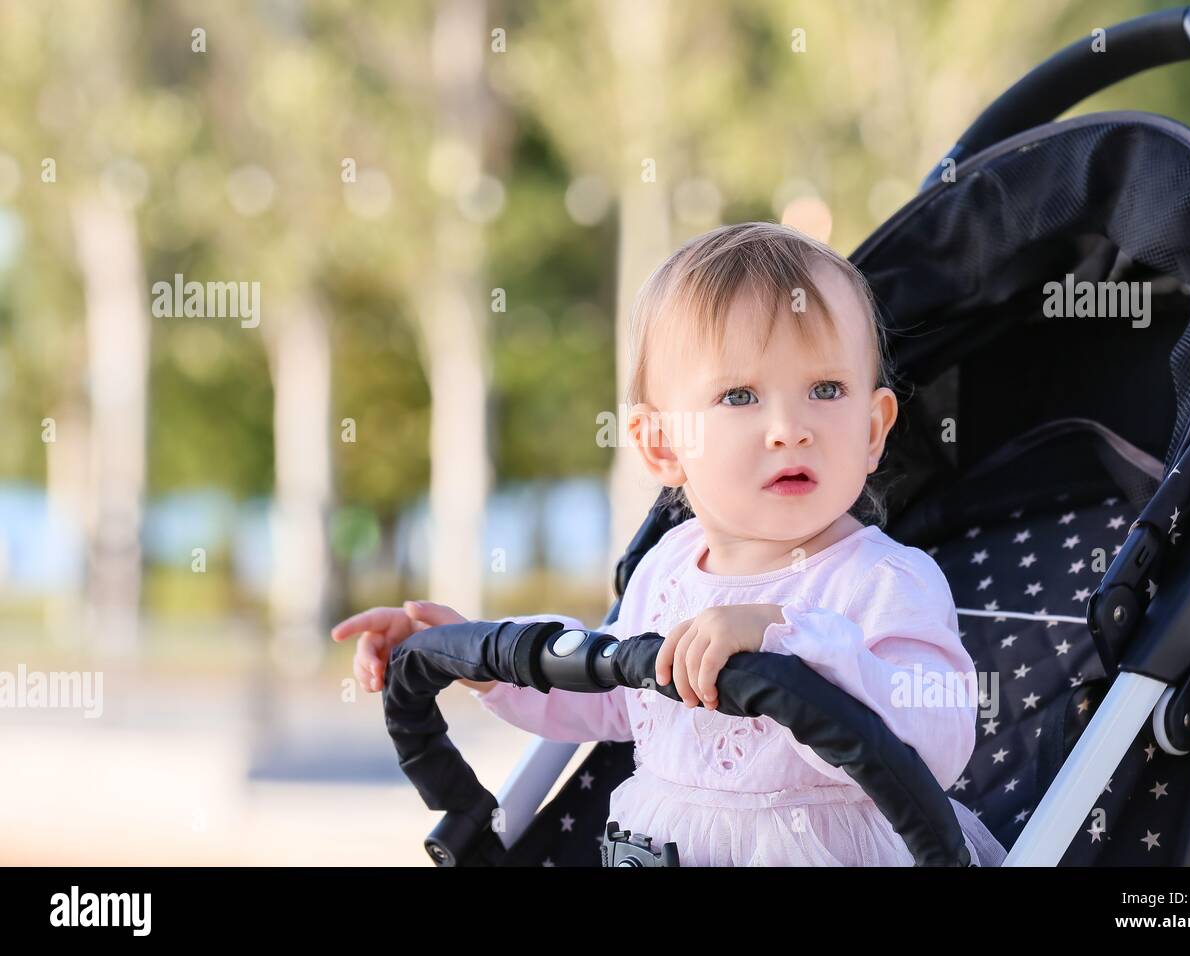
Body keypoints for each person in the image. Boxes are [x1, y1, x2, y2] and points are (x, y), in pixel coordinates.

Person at [334, 221, 996, 866]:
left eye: (827, 389)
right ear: (661, 444)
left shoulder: (883, 581)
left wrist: (789, 639)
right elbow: (615, 694)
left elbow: (936, 739)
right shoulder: (669, 568)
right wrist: (476, 656)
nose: (790, 428)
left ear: (875, 428)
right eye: (740, 396)